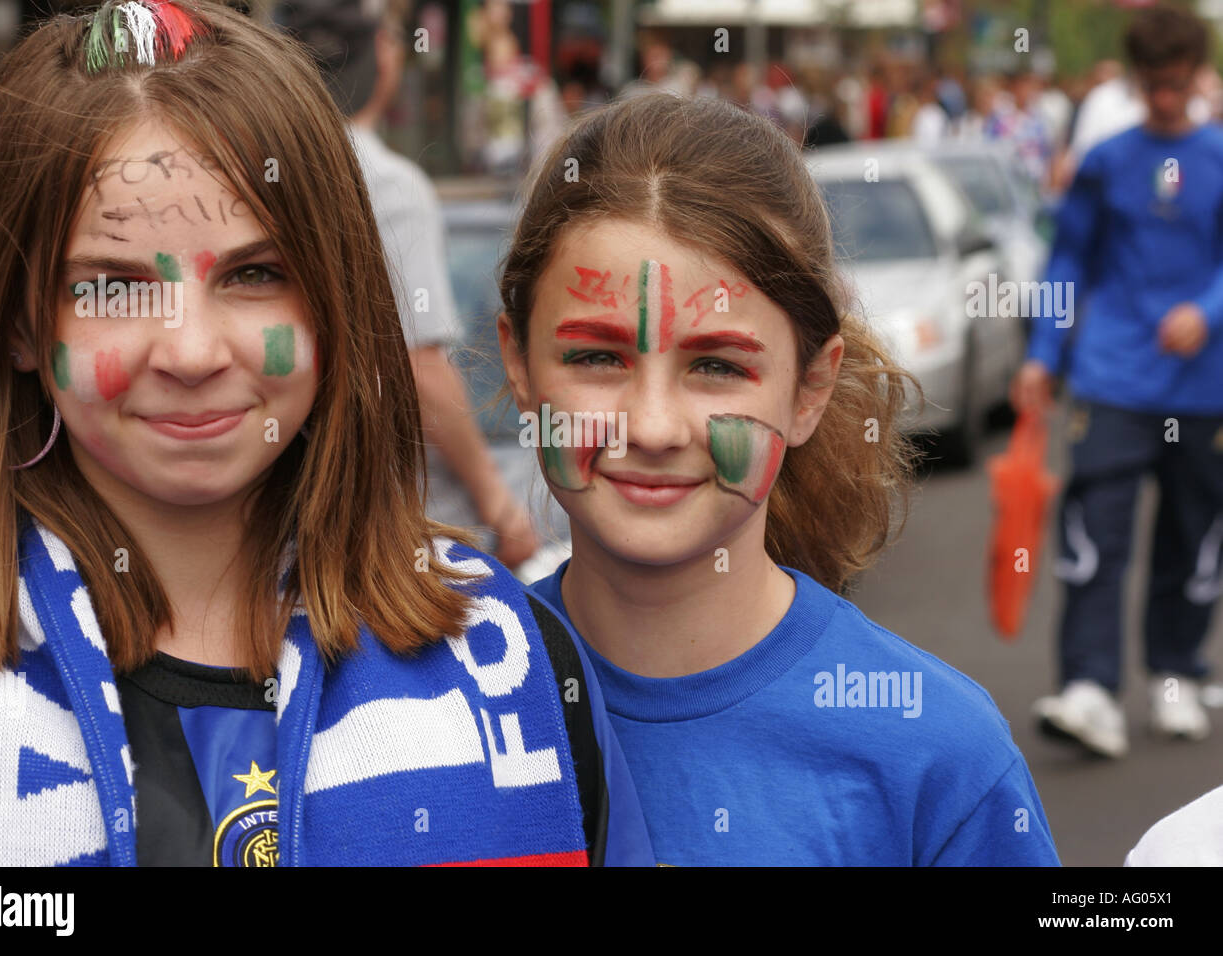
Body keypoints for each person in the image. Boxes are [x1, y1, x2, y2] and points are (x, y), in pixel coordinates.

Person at [0, 0, 651, 867]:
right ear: (16, 323)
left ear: (334, 296)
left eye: (255, 273)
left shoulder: (521, 660)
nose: (191, 350)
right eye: (112, 285)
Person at [495, 92, 1061, 866]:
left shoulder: (936, 756)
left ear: (809, 390)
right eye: (597, 357)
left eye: (718, 367)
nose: (654, 427)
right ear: (519, 366)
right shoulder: (425, 716)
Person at [1014, 5, 1223, 759]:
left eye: (1177, 85)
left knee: (1193, 534)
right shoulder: (1106, 162)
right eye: (1152, 86)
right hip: (1112, 379)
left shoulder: (1219, 156)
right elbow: (1068, 261)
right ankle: (1091, 688)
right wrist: (1043, 352)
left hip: (1203, 389)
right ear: (1136, 81)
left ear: (1197, 76)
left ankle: (1174, 672)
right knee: (1093, 534)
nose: (1165, 99)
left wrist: (1206, 310)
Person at [272, 0, 538, 570]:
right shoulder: (390, 185)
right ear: (383, 63)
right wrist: (500, 507)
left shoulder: (264, 164)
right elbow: (421, 367)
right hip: (404, 520)